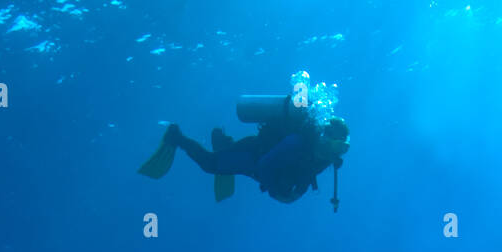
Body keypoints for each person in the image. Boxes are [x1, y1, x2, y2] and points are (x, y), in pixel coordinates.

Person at [139, 93, 349, 208]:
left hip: (260, 167)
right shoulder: (297, 142)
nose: (338, 151)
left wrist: (295, 193)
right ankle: (176, 137)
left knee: (225, 159)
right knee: (210, 164)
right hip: (252, 155)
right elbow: (264, 164)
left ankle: (223, 143)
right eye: (337, 144)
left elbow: (306, 174)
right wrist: (276, 192)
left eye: (343, 147)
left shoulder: (326, 157)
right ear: (326, 137)